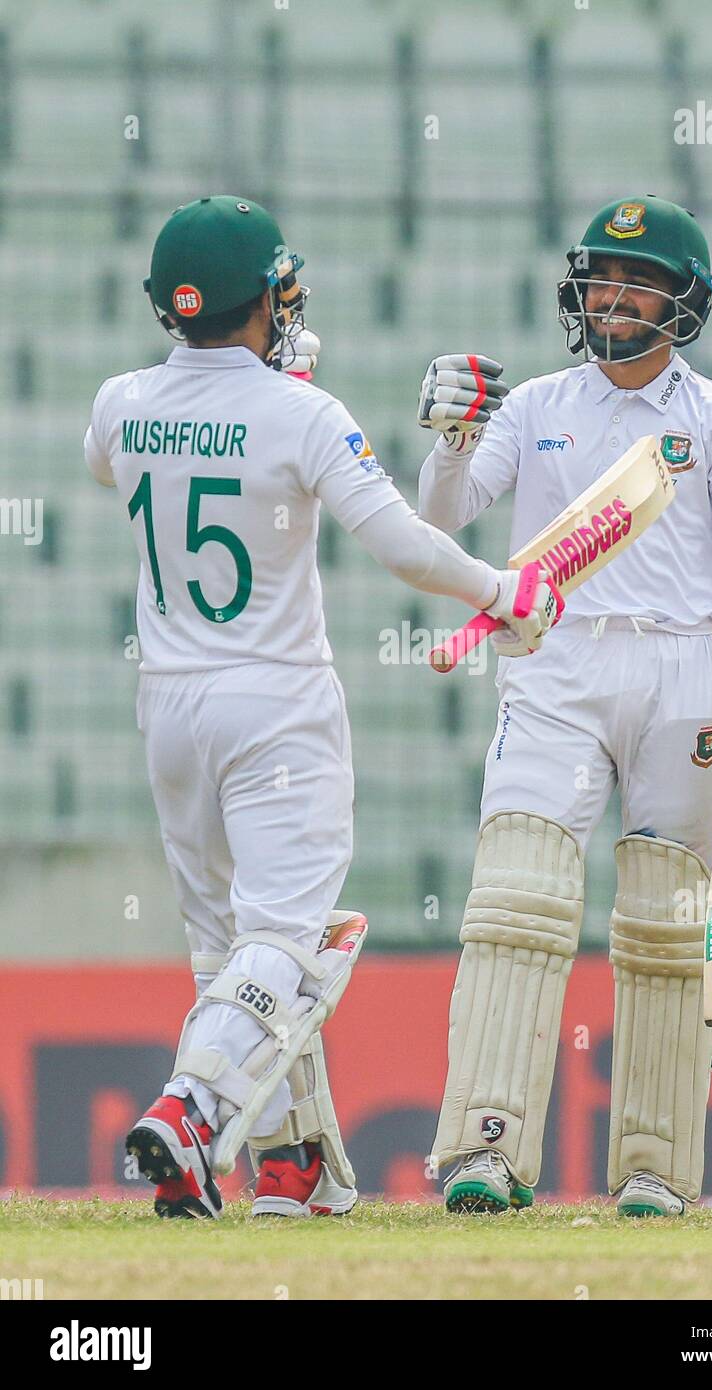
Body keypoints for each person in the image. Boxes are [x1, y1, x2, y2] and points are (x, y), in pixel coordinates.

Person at [84, 195, 558, 1219]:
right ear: (262, 299)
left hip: (167, 703)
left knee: (227, 945)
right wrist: (501, 591)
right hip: (276, 702)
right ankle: (192, 1107)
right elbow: (399, 544)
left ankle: (289, 1167)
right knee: (290, 942)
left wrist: (252, 404)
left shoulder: (119, 401)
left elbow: (120, 455)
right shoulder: (304, 411)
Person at [417, 194, 712, 1216]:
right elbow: (443, 520)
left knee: (667, 928)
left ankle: (653, 1168)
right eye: (598, 276)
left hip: (682, 671)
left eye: (635, 280)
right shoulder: (539, 406)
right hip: (553, 660)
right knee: (518, 897)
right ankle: (483, 1149)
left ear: (682, 301)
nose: (611, 295)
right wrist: (451, 440)